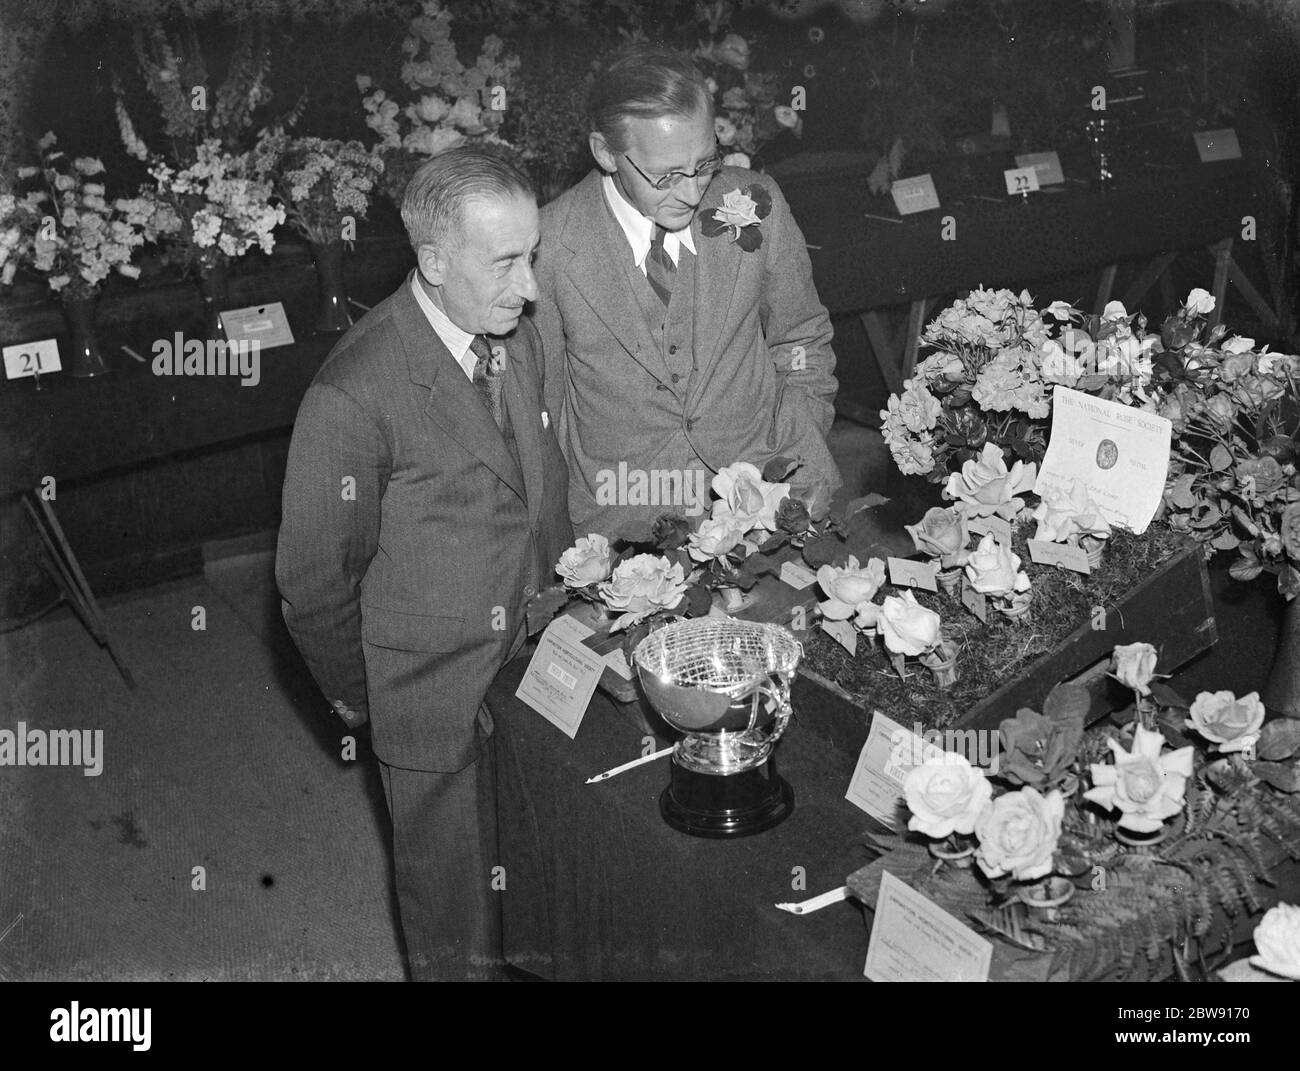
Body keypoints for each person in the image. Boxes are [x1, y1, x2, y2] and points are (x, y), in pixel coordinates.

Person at [276, 147, 573, 981]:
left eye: (534, 254)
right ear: (434, 261)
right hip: (429, 697)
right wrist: (375, 700)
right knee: (457, 928)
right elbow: (312, 584)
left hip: (532, 664)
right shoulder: (354, 393)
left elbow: (537, 491)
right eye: (507, 261)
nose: (533, 286)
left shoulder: (517, 330)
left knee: (543, 892)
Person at [531, 44, 841, 541]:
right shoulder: (546, 246)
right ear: (605, 152)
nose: (693, 192)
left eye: (704, 163)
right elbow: (541, 406)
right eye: (665, 175)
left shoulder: (756, 203)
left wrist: (801, 457)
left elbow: (800, 341)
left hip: (766, 502)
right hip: (621, 520)